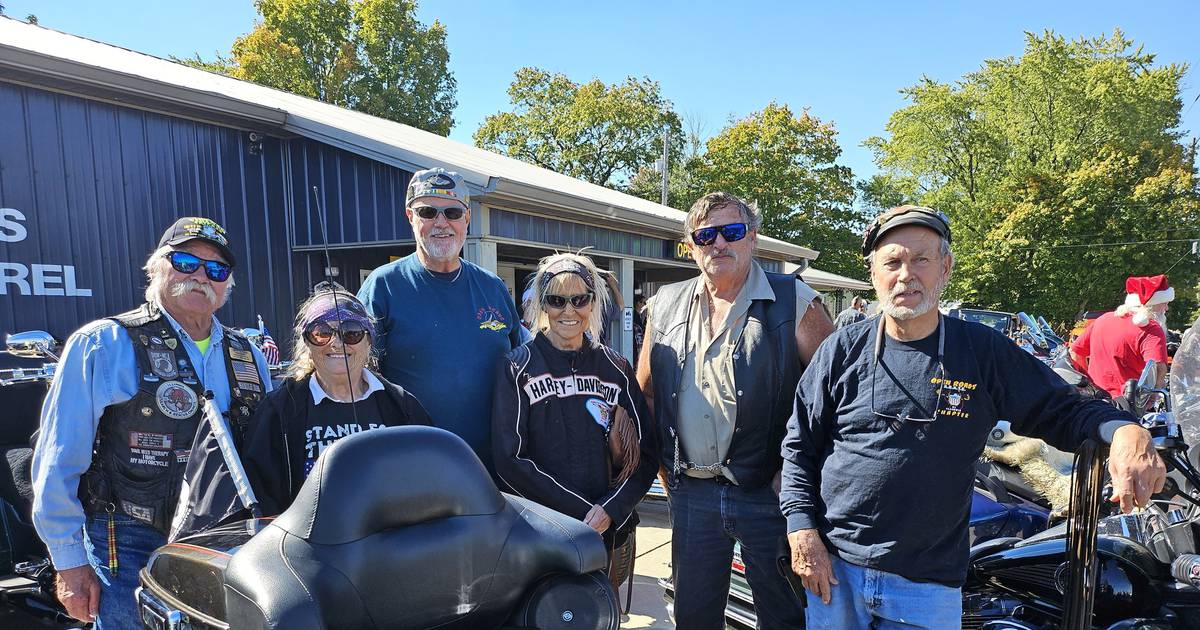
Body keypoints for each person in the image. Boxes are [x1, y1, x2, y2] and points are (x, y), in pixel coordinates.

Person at [780, 205, 1167, 629]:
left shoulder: (982, 352)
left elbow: (1064, 409)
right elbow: (799, 446)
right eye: (892, 262)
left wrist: (1126, 430)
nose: (906, 274)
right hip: (836, 572)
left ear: (945, 268)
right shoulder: (841, 350)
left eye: (921, 260)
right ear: (874, 273)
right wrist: (802, 532)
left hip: (926, 587)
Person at [31, 217, 272, 627]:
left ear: (227, 283)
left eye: (216, 269)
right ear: (158, 266)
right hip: (130, 539)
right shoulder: (104, 343)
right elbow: (58, 461)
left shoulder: (247, 353)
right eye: (186, 262)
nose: (201, 277)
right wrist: (69, 564)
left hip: (223, 541)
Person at [637, 191, 834, 630]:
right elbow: (646, 393)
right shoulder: (665, 304)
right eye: (706, 235)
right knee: (693, 616)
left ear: (753, 239)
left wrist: (802, 477)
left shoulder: (795, 302)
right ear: (691, 246)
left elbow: (837, 400)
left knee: (783, 616)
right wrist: (665, 471)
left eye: (732, 231)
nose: (719, 243)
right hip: (693, 493)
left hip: (770, 493)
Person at [492, 253, 656, 560]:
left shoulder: (615, 367)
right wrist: (581, 512)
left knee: (606, 607)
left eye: (579, 300)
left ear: (593, 303)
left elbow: (646, 453)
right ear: (542, 304)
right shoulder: (517, 367)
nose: (569, 310)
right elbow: (509, 459)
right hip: (542, 532)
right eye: (556, 300)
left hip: (609, 532)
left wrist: (611, 508)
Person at [358, 168, 523, 471]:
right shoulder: (383, 287)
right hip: (413, 466)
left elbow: (526, 362)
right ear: (410, 216)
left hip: (493, 469)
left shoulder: (493, 288)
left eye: (452, 213)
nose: (442, 223)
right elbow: (357, 377)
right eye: (428, 212)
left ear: (467, 218)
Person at [242, 284, 432, 516]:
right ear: (307, 343)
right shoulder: (279, 410)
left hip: (386, 544)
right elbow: (261, 495)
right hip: (308, 546)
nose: (336, 343)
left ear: (369, 341)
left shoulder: (401, 405)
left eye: (351, 332)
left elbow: (427, 480)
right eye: (322, 332)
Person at [1071, 274, 1173, 398]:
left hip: (1094, 402)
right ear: (1151, 304)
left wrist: (1088, 383)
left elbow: (1075, 352)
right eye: (1164, 303)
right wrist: (1152, 398)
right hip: (1126, 404)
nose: (1166, 308)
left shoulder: (1103, 319)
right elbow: (1158, 368)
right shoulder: (1151, 328)